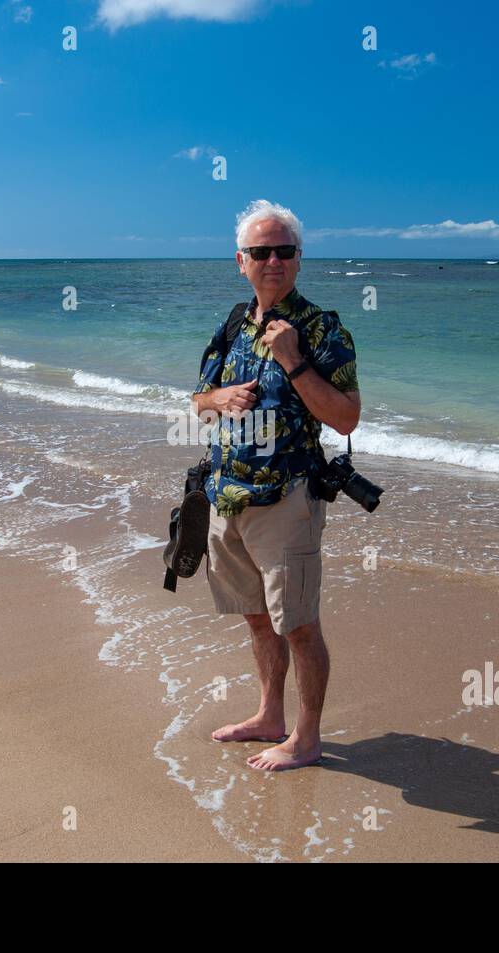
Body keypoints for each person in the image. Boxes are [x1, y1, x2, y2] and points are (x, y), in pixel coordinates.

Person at [190, 199, 361, 771]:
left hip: (288, 498)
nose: (273, 261)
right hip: (226, 493)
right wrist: (218, 398)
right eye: (260, 252)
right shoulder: (234, 323)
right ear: (241, 261)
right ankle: (269, 715)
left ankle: (307, 738)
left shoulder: (321, 328)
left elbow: (345, 418)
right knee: (257, 617)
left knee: (299, 623)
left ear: (298, 259)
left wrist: (293, 362)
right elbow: (198, 401)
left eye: (284, 251)